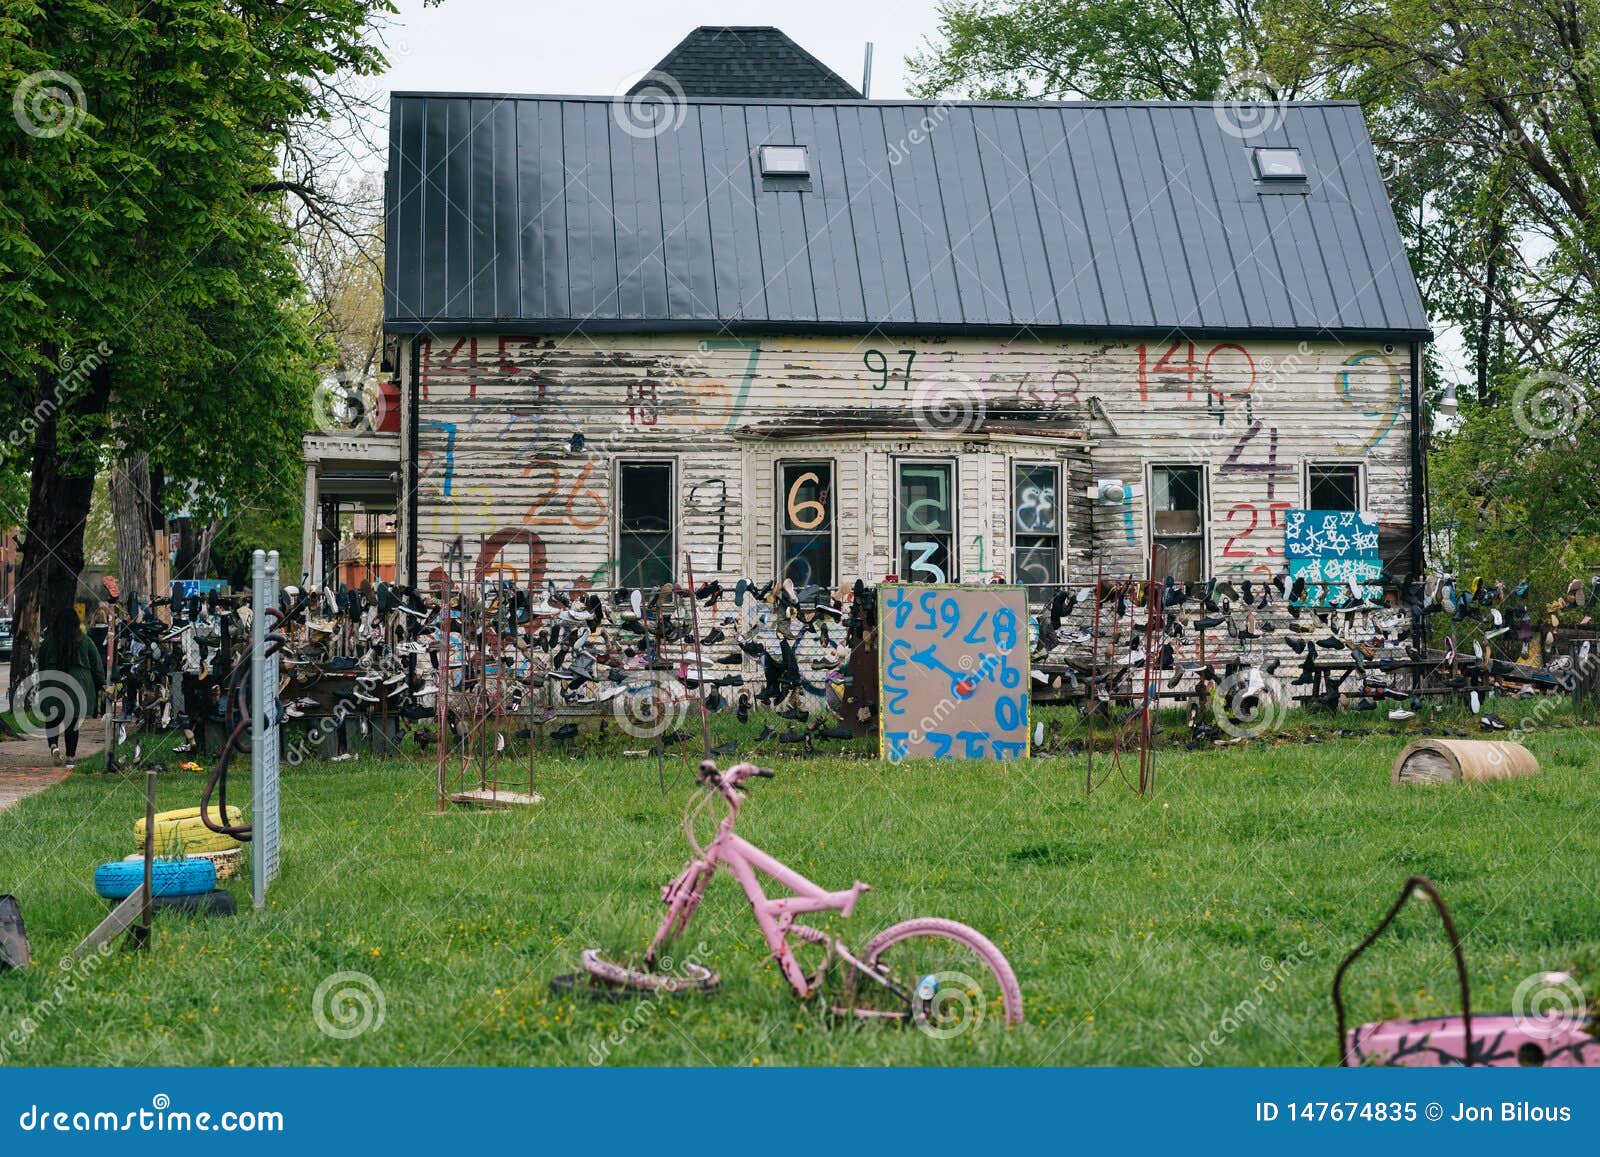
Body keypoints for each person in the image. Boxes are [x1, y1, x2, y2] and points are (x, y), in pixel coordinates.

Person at [36, 602, 104, 770]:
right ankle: (71, 758)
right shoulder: (85, 641)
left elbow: (41, 664)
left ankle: (54, 746)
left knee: (52, 718)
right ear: (76, 623)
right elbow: (96, 666)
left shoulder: (49, 642)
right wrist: (102, 683)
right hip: (78, 687)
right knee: (72, 723)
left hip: (53, 684)